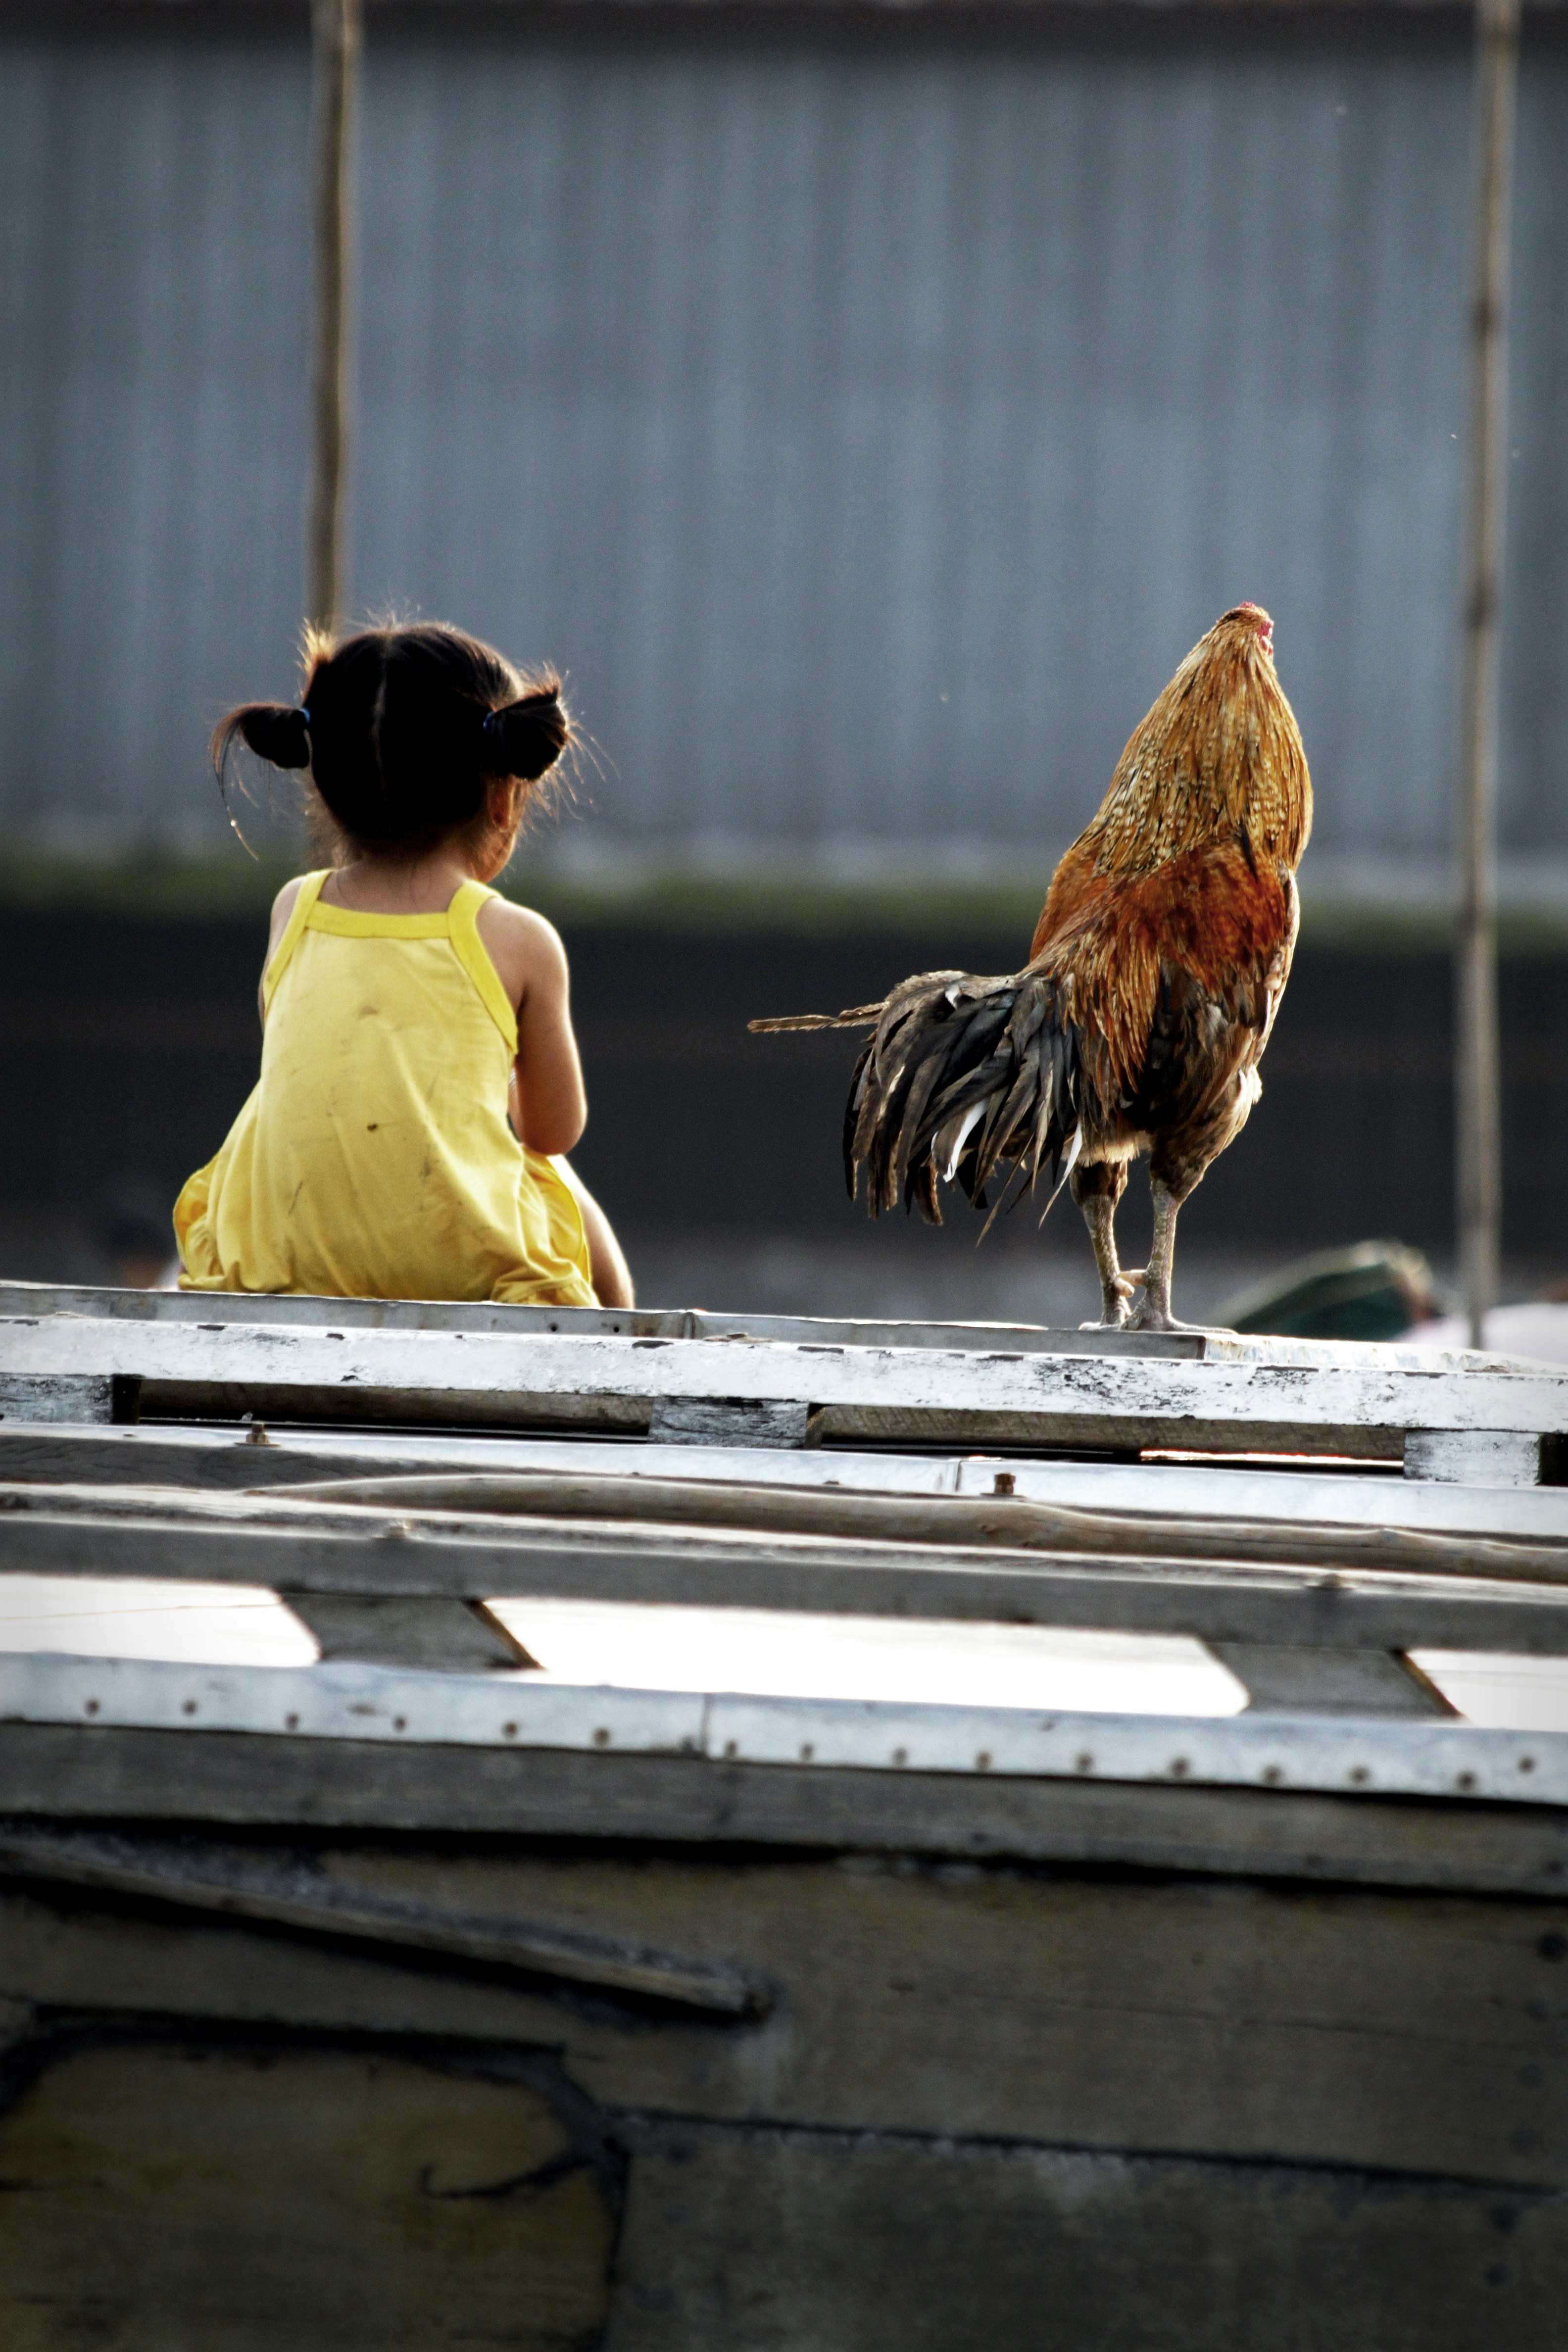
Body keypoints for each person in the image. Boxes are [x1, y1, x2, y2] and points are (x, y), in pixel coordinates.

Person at [175, 621, 633, 1309]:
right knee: (557, 1178)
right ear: (503, 795)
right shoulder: (520, 940)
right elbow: (553, 1130)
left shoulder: (292, 908)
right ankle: (624, 1347)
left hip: (267, 1261)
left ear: (325, 788)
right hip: (466, 1279)